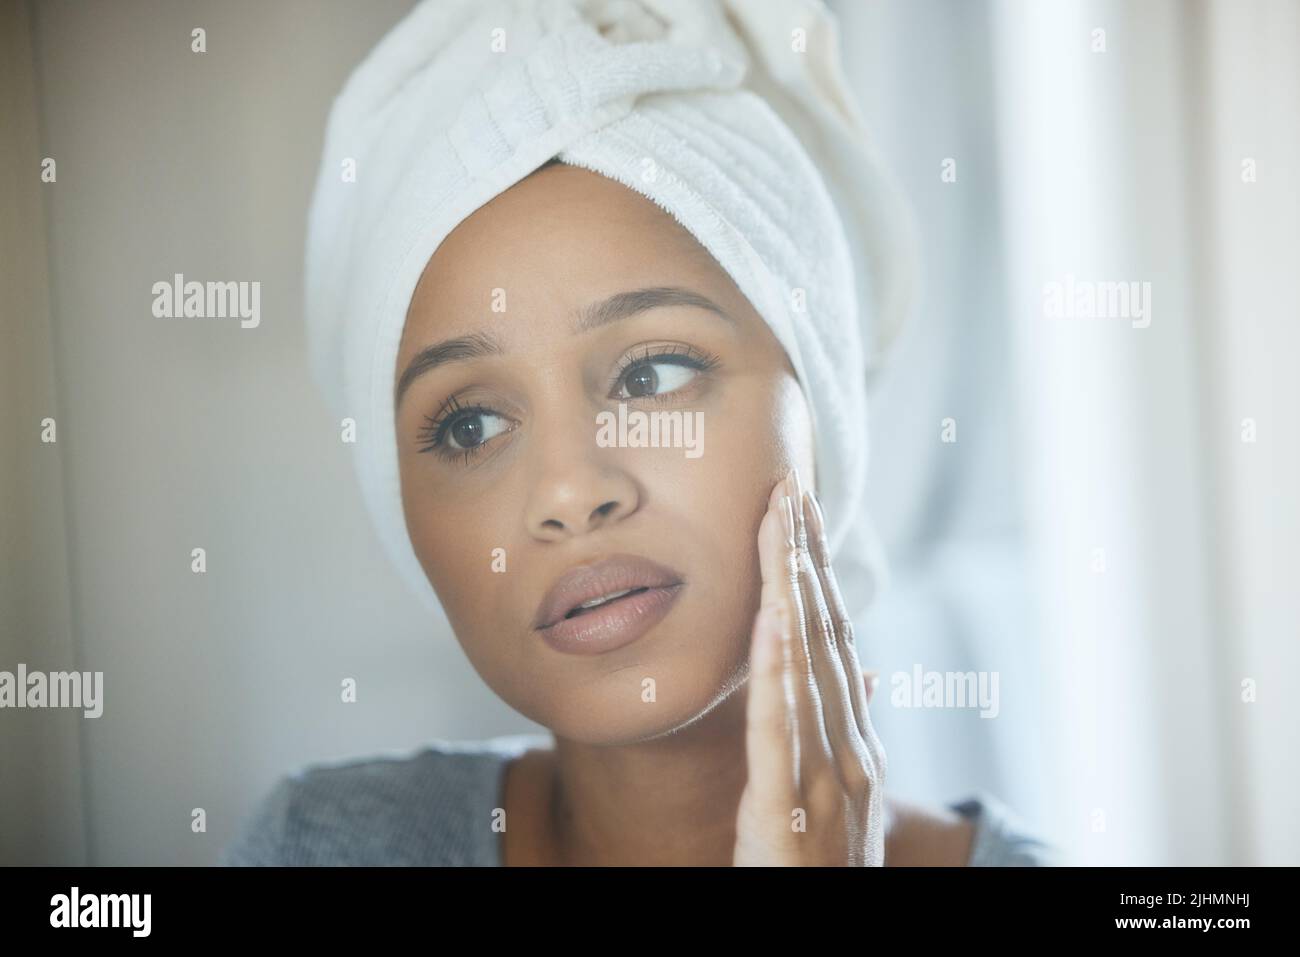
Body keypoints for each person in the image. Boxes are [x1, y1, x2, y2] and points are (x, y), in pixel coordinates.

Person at [221, 0, 1058, 866]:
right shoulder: (320, 848)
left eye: (650, 375)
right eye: (471, 423)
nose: (570, 490)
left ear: (821, 400)